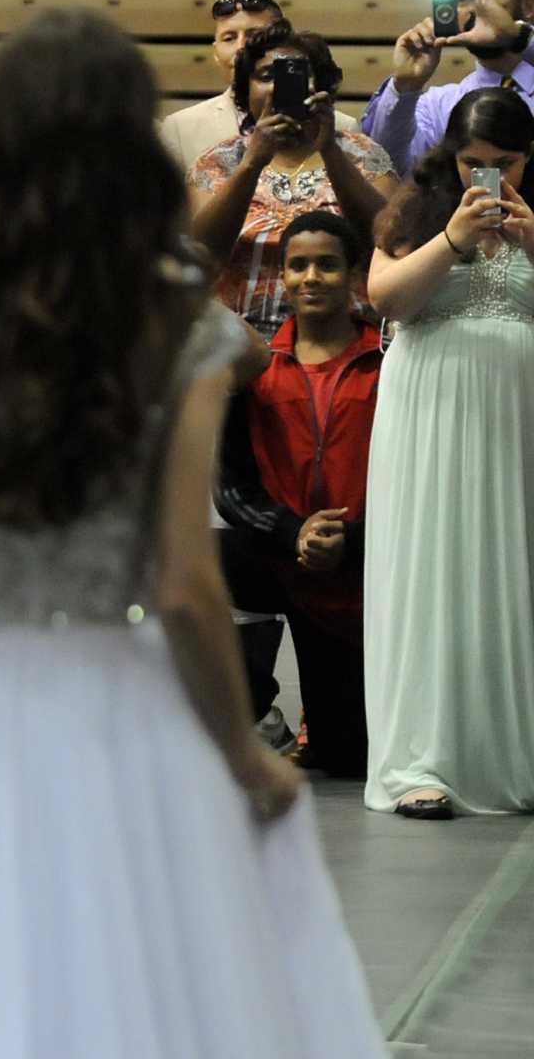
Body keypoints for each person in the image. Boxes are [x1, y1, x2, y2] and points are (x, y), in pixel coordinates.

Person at [0, 9, 382, 1056]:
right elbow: (186, 584)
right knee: (128, 976)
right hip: (116, 695)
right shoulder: (171, 326)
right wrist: (240, 751)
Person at [363, 87, 534, 819]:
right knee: (431, 564)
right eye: (472, 162)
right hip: (428, 413)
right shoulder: (419, 207)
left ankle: (513, 754)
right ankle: (420, 763)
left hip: (516, 414)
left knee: (512, 563)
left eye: (504, 163)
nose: (486, 177)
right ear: (450, 156)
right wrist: (455, 239)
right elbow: (386, 299)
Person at [214, 211, 378, 779]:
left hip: (370, 576)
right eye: (298, 265)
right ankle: (256, 712)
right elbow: (230, 484)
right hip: (287, 565)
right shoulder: (256, 370)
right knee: (208, 556)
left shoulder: (389, 362)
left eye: (328, 265)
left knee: (347, 761)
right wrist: (294, 531)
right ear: (281, 277)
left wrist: (350, 540)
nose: (312, 277)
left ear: (355, 274)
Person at [190, 22, 397, 340]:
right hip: (244, 349)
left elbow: (390, 242)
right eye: (264, 76)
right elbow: (200, 254)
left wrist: (330, 151)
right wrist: (252, 163)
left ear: (321, 87)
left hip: (348, 345)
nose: (276, 88)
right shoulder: (219, 161)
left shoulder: (361, 154)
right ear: (245, 91)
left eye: (294, 75)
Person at [363, 0, 534, 175]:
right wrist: (405, 87)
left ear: (528, 7)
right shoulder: (438, 105)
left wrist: (516, 36)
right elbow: (386, 167)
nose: (478, 7)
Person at [159, 0, 365, 175]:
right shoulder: (179, 129)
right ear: (215, 53)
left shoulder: (343, 127)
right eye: (229, 38)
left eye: (254, 36)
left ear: (286, 44)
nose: (241, 47)